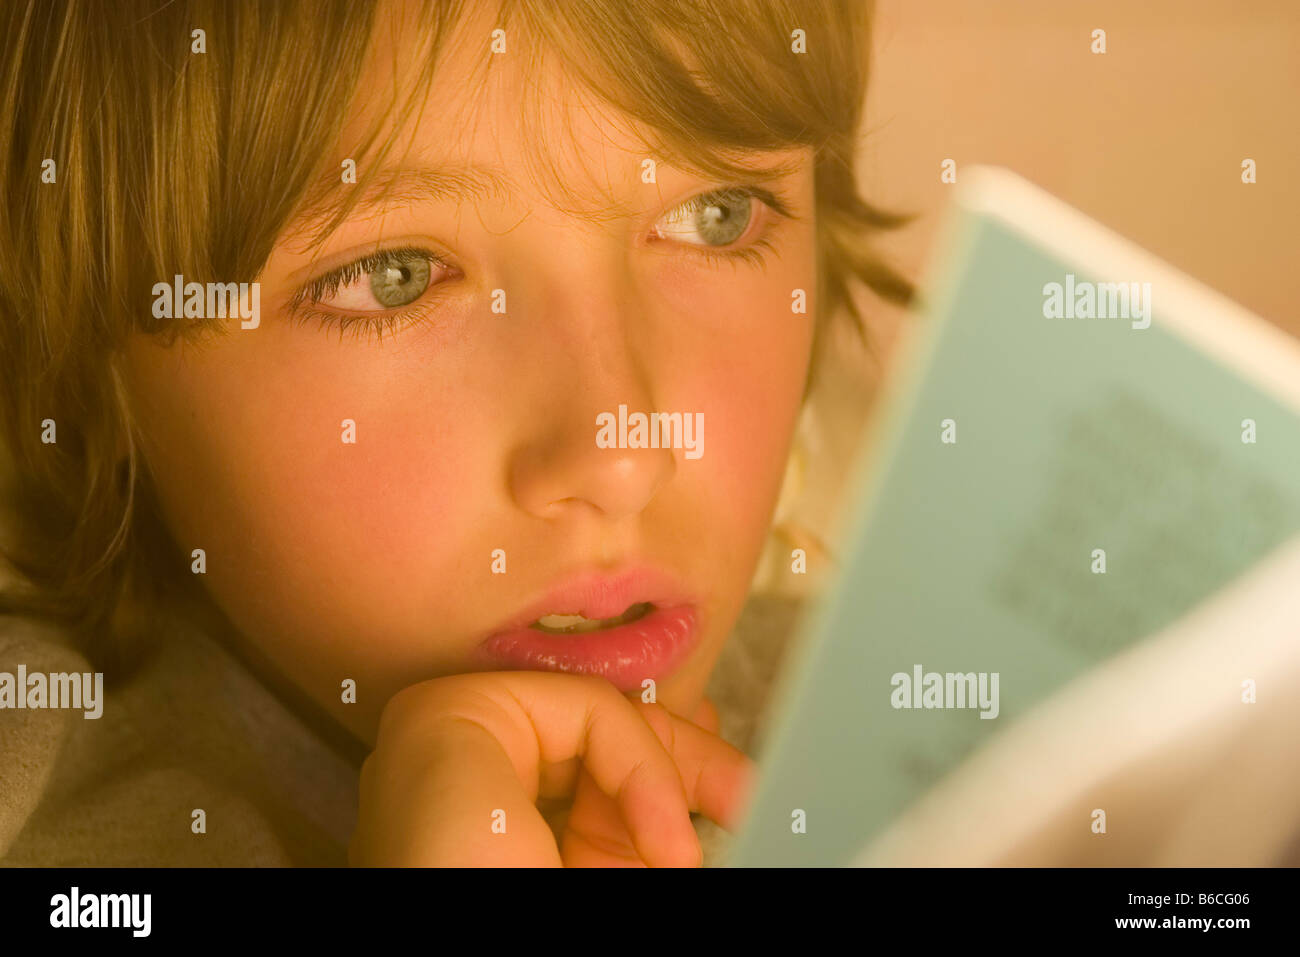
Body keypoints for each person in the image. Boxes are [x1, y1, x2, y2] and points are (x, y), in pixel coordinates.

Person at [0, 0, 911, 866]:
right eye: (395, 276)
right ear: (85, 367)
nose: (623, 452)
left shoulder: (963, 731)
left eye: (716, 215)